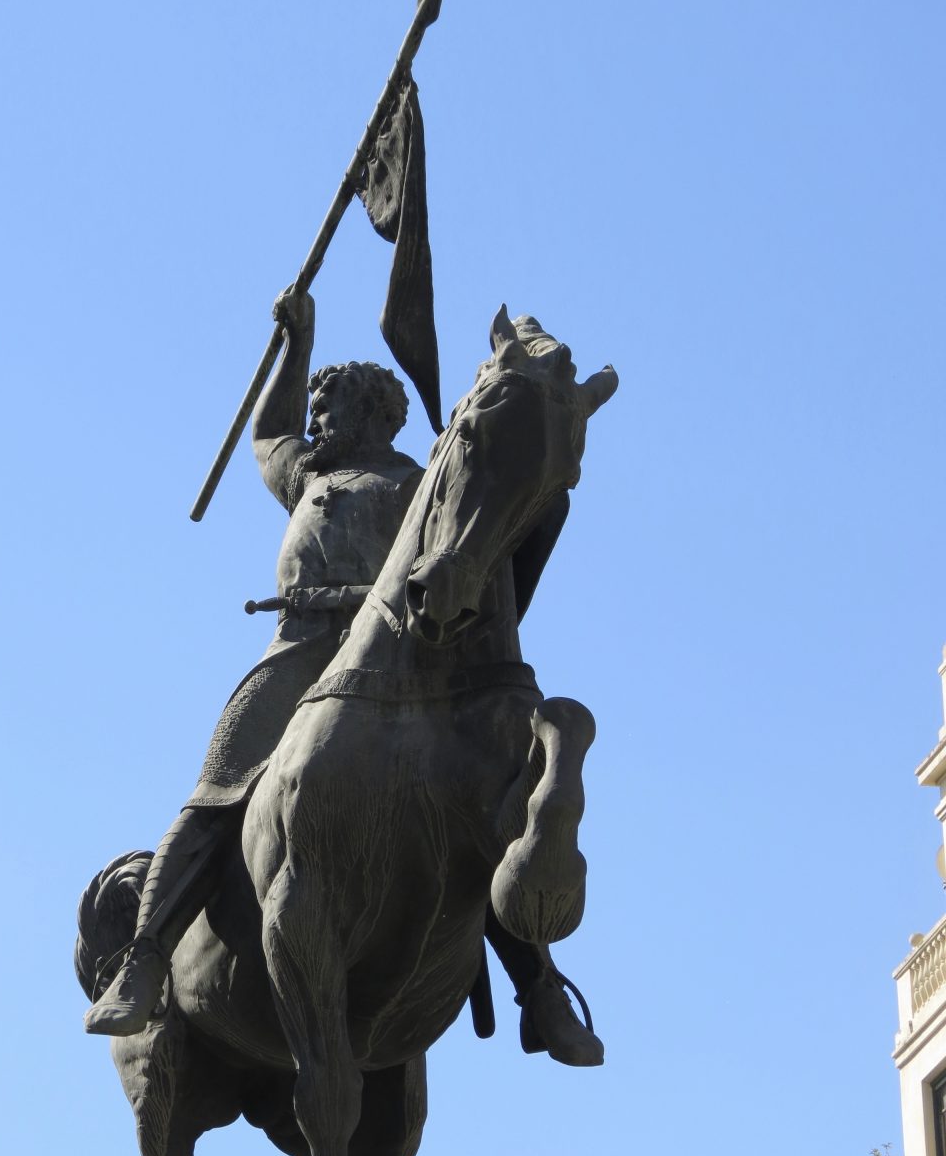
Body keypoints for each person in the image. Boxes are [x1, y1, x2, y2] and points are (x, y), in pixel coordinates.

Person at [83, 288, 603, 1066]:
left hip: (412, 658)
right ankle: (146, 958)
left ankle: (541, 990)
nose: (317, 422)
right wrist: (299, 342)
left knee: (486, 809)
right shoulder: (310, 478)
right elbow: (269, 435)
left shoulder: (416, 479)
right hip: (299, 651)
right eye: (317, 408)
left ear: (374, 413)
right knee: (216, 789)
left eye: (330, 406)